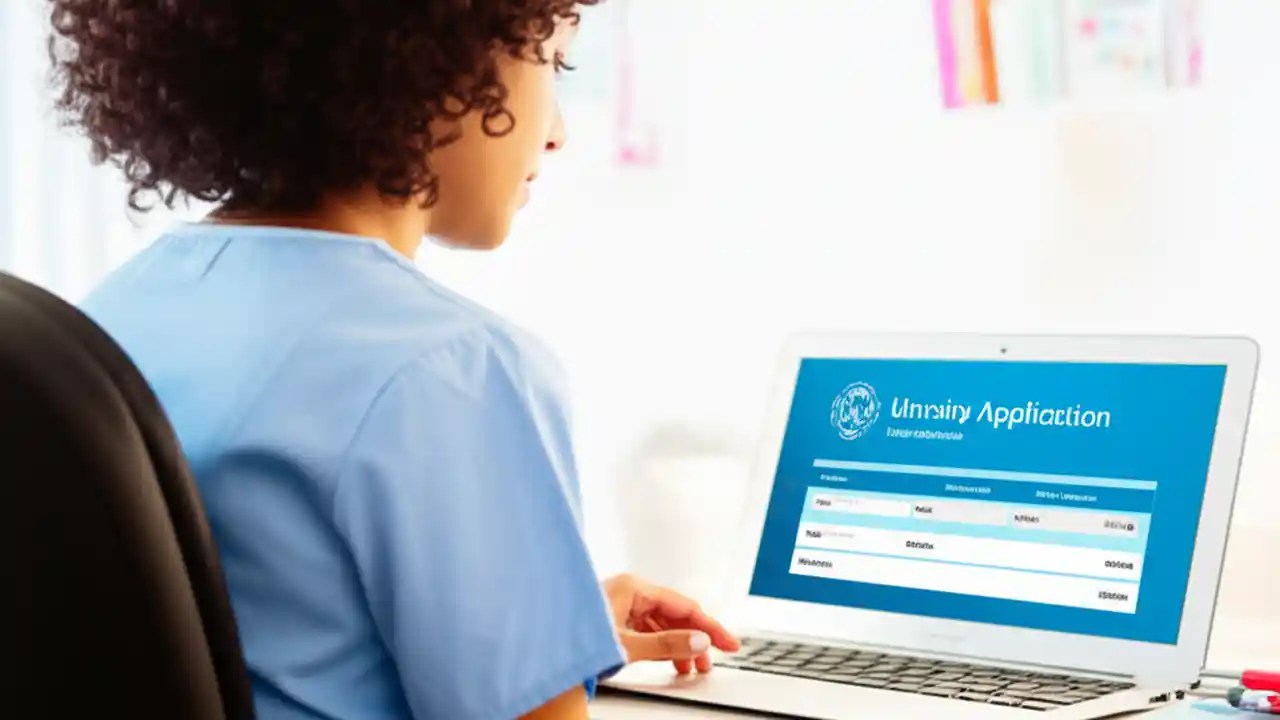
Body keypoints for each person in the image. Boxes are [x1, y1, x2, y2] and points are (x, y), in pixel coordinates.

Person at [47, 1, 739, 718]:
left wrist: (552, 626)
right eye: (552, 64)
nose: (557, 133)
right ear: (436, 67)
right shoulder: (453, 370)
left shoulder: (107, 317)